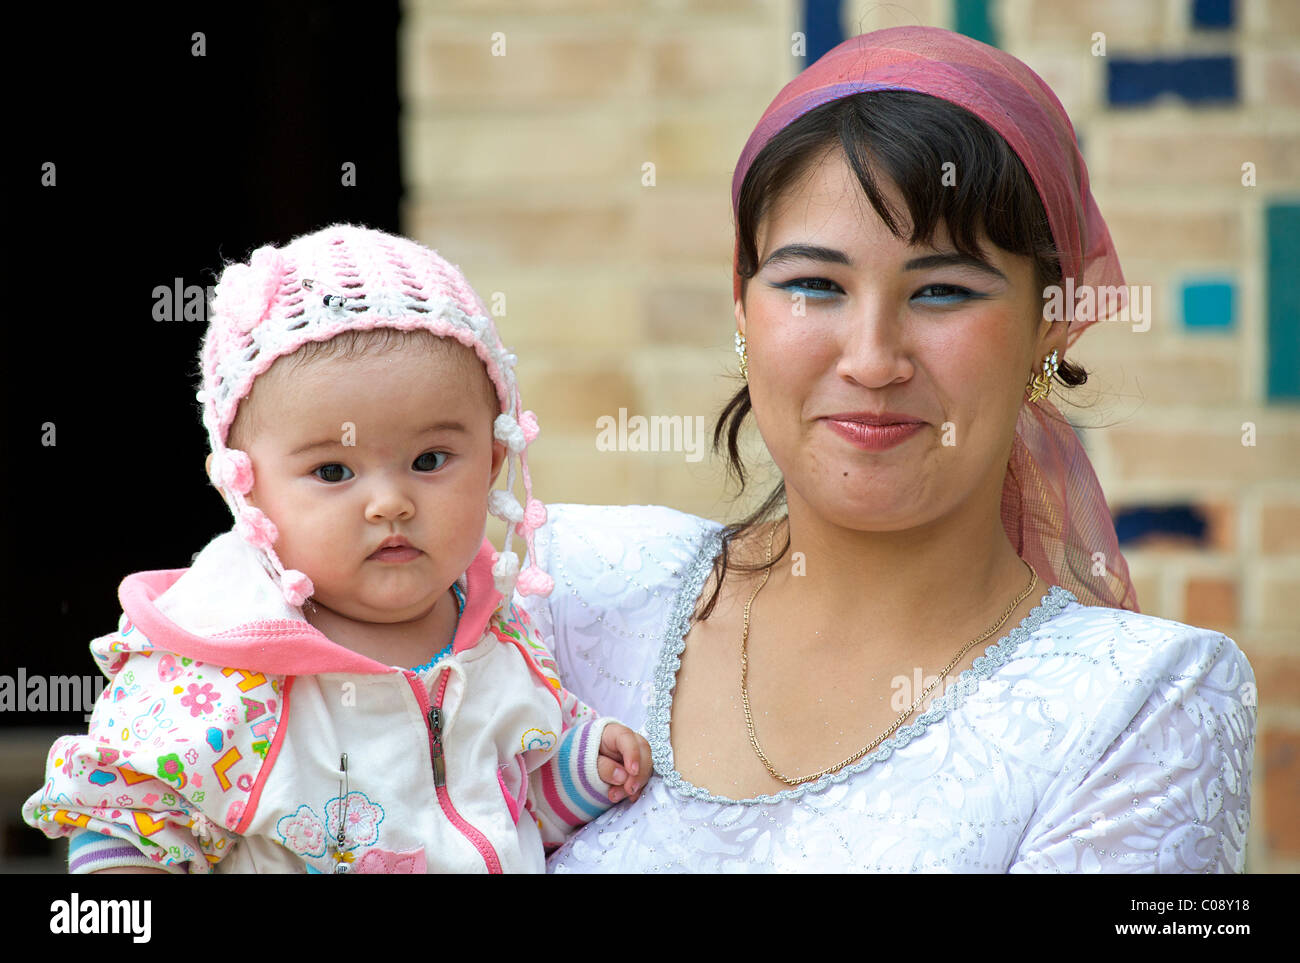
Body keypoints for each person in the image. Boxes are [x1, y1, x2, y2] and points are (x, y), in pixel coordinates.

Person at [527, 27, 1257, 872]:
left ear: (1049, 320)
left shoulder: (1141, 707)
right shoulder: (565, 592)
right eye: (814, 285)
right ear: (740, 303)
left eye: (943, 290)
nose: (872, 359)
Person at [23, 224, 651, 874]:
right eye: (333, 472)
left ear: (492, 462)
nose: (389, 504)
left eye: (429, 459)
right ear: (245, 486)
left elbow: (499, 806)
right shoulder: (224, 670)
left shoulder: (497, 634)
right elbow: (131, 823)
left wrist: (579, 771)